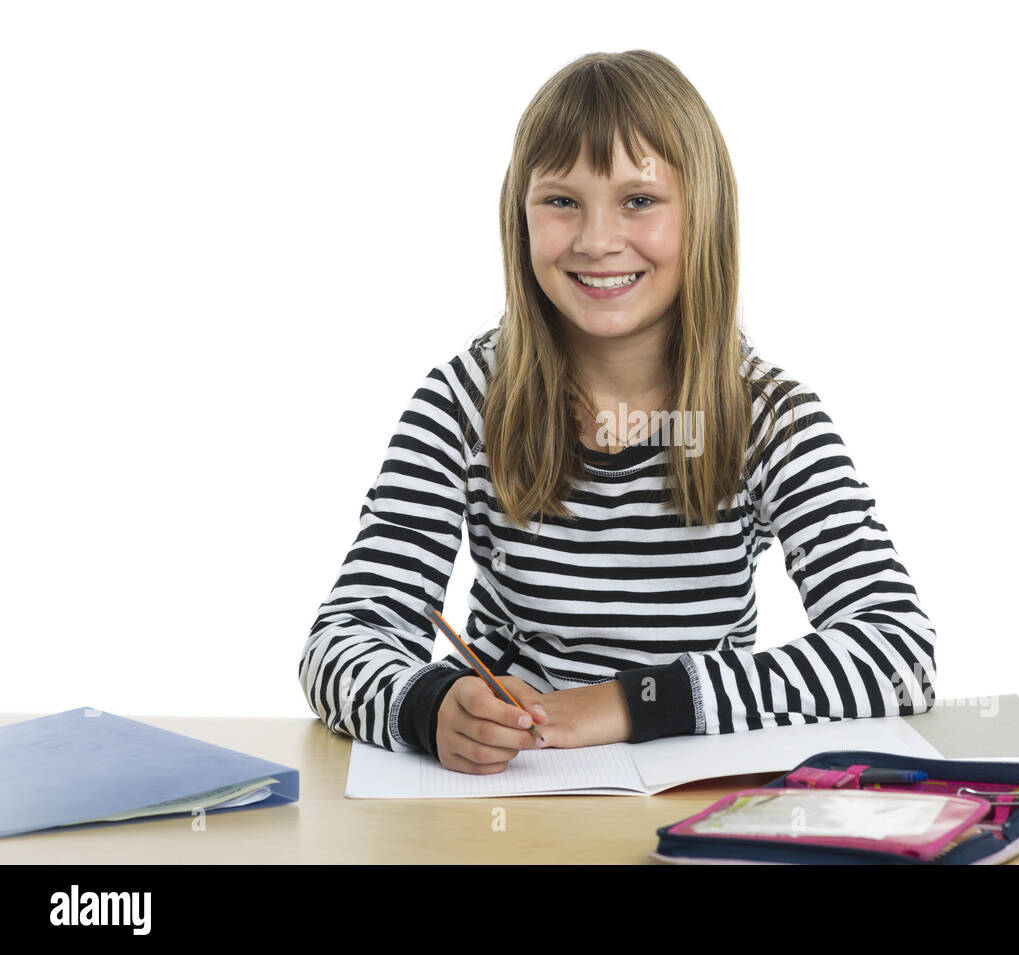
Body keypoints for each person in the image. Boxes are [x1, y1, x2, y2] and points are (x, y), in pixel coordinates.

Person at [299, 50, 937, 775]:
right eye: (562, 200)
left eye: (639, 200)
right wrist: (431, 703)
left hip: (696, 791)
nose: (598, 240)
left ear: (703, 214)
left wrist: (631, 702)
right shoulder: (460, 404)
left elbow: (899, 654)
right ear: (521, 216)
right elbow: (341, 639)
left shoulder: (770, 417)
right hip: (511, 796)